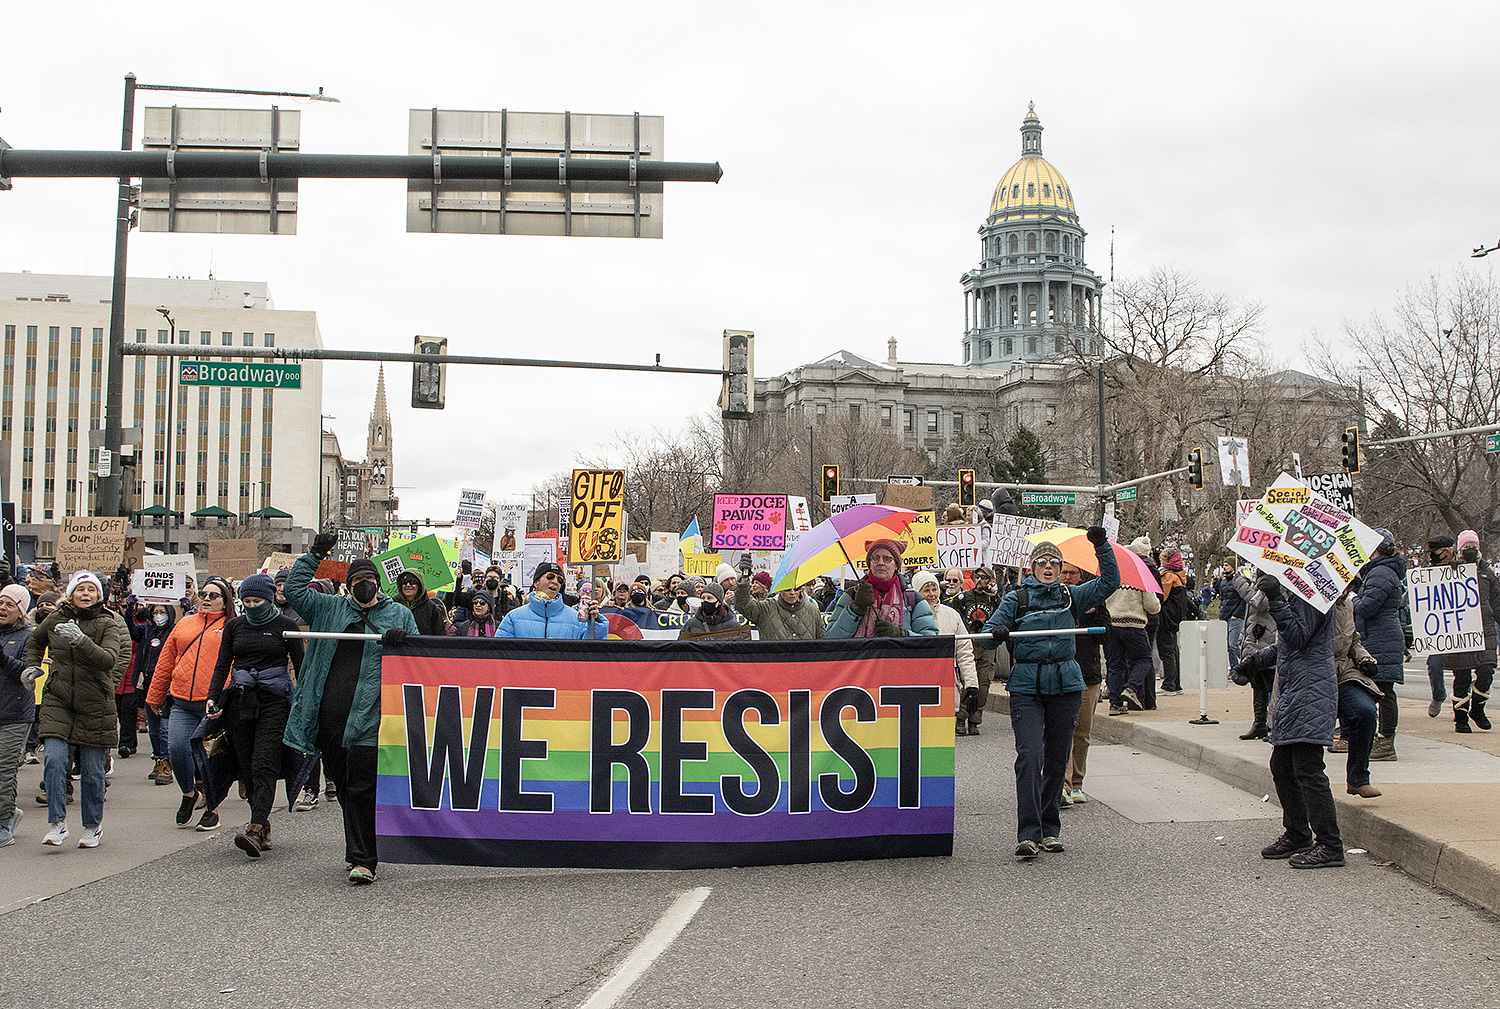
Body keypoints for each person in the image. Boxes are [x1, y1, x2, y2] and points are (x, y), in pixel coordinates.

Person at [283, 537, 418, 884]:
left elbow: (417, 657)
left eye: (369, 580)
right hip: (330, 716)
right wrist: (314, 555)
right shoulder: (329, 608)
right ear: (348, 585)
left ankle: (364, 860)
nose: (364, 586)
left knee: (361, 786)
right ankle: (355, 847)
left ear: (378, 582)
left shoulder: (398, 613)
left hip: (372, 716)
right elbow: (295, 592)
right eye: (357, 581)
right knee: (343, 785)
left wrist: (403, 641)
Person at [980, 527, 1119, 860]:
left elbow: (1109, 583)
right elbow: (986, 637)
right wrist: (996, 632)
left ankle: (1050, 829)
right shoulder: (1017, 598)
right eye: (1041, 562)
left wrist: (1101, 547)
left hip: (1066, 684)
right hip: (1027, 687)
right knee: (1030, 757)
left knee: (1057, 760)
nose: (1047, 567)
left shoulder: (1071, 596)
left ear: (1059, 569)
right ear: (1031, 567)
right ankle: (1028, 833)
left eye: (1053, 563)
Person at [25, 571, 131, 849]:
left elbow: (108, 659)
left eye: (91, 590)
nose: (86, 594)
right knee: (54, 760)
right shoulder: (56, 617)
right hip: (58, 699)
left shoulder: (108, 621)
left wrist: (80, 640)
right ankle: (57, 824)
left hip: (95, 702)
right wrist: (32, 666)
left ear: (99, 595)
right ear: (70, 593)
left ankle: (92, 826)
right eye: (80, 589)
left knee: (93, 772)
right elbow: (36, 641)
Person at [205, 573, 305, 857]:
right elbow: (223, 664)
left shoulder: (286, 626)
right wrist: (213, 697)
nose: (252, 606)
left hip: (275, 701)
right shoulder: (234, 626)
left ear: (270, 598)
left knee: (264, 763)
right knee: (247, 767)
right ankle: (263, 823)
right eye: (246, 601)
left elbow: (302, 666)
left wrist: (303, 703)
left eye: (257, 600)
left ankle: (256, 827)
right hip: (241, 700)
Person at [1257, 573, 1345, 869]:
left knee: (1308, 768)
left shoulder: (1316, 591)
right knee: (1282, 766)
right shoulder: (1301, 590)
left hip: (1311, 688)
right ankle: (1297, 832)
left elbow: (1297, 635)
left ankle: (1330, 844)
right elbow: (1288, 645)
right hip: (1297, 688)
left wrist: (1277, 600)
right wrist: (1253, 663)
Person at [146, 576, 233, 830]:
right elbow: (166, 661)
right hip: (182, 701)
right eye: (204, 594)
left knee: (212, 759)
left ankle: (212, 809)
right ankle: (188, 793)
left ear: (225, 600)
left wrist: (226, 697)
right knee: (176, 750)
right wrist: (154, 695)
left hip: (213, 707)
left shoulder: (233, 625)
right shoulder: (184, 624)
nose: (207, 599)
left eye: (213, 595)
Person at [1353, 529, 1408, 756]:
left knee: (1383, 690)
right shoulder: (1380, 571)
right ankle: (1379, 738)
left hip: (1380, 637)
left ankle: (1385, 741)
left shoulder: (1381, 573)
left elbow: (1367, 607)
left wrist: (1351, 598)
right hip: (1378, 636)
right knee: (1377, 689)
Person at [1062, 563, 1108, 805]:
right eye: (1065, 572)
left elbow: (1106, 636)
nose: (1069, 577)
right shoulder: (1054, 599)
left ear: (1081, 576)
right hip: (1061, 674)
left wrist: (1090, 616)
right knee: (1063, 732)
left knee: (1082, 733)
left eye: (1073, 573)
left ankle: (1077, 783)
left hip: (1088, 675)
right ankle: (1064, 784)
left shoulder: (1093, 600)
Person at [912, 572, 979, 737]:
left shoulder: (952, 615)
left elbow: (965, 652)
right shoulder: (909, 615)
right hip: (916, 690)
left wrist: (972, 685)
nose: (932, 594)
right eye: (926, 590)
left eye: (934, 588)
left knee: (942, 745)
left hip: (946, 688)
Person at [1331, 586, 1383, 798]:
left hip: (1343, 671)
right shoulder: (1308, 603)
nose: (1346, 590)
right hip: (1314, 674)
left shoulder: (1347, 605)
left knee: (1366, 711)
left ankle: (1358, 779)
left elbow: (1353, 640)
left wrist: (1363, 657)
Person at [826, 540, 938, 639]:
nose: (880, 563)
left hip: (898, 662)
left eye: (887, 558)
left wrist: (901, 634)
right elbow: (831, 637)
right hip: (861, 662)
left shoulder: (912, 598)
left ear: (896, 565)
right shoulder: (852, 595)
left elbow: (930, 639)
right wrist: (855, 609)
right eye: (875, 558)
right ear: (869, 564)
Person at [1447, 530, 1500, 733]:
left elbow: (1497, 602)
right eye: (1466, 547)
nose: (1470, 550)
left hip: (1485, 629)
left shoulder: (1487, 572)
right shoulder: (1449, 571)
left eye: (1473, 546)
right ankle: (1460, 717)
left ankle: (1478, 708)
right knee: (1461, 677)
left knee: (1487, 671)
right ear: (1459, 549)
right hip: (1461, 629)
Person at [1104, 541, 1160, 715]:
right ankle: (1131, 688)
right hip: (1134, 625)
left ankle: (1115, 703)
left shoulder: (1113, 575)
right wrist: (1156, 605)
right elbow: (1152, 606)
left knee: (1115, 665)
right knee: (1144, 660)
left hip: (1112, 624)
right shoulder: (1141, 575)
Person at [127, 601, 178, 784]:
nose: (158, 616)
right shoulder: (147, 631)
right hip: (148, 686)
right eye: (155, 612)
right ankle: (158, 759)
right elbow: (131, 629)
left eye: (162, 612)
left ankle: (166, 763)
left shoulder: (175, 631)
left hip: (167, 686)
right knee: (154, 730)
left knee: (165, 729)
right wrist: (130, 609)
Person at [0, 584, 35, 847]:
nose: (2, 608)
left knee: (3, 771)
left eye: (9, 604)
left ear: (21, 610)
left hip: (14, 714)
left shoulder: (29, 637)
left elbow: (27, 673)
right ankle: (10, 813)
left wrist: (2, 659)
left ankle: (3, 825)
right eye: (0, 602)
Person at [952, 565, 1006, 734]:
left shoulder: (995, 599)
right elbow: (956, 615)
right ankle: (961, 717)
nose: (980, 580)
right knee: (968, 680)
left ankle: (975, 719)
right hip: (970, 642)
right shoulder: (964, 598)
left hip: (988, 644)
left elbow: (1004, 614)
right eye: (978, 577)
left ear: (991, 580)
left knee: (983, 683)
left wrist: (994, 597)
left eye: (984, 577)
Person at [497, 562, 609, 640]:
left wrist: (595, 622)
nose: (555, 581)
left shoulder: (577, 618)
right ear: (536, 582)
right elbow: (500, 653)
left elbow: (590, 652)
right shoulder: (514, 617)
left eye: (559, 579)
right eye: (550, 576)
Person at [1232, 567, 1277, 740]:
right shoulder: (1256, 580)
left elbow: (1260, 603)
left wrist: (1240, 584)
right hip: (1255, 638)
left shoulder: (1274, 581)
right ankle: (1259, 723)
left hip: (1268, 638)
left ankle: (1273, 724)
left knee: (1272, 685)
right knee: (1257, 683)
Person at [733, 558, 825, 642]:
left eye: (796, 588)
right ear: (780, 589)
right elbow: (743, 605)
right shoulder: (766, 608)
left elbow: (821, 641)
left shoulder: (812, 609)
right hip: (775, 660)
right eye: (788, 589)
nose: (792, 592)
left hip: (804, 660)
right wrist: (744, 578)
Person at [1157, 550, 1197, 695]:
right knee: (1173, 650)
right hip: (1175, 618)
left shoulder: (1167, 576)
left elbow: (1161, 596)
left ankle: (1169, 684)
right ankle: (1176, 683)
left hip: (1165, 618)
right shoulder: (1180, 576)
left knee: (1166, 651)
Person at [1425, 537, 1455, 716]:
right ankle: (1438, 695)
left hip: (1459, 626)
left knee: (1463, 668)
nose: (1431, 556)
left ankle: (1462, 701)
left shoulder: (1462, 569)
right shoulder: (1427, 573)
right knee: (1434, 664)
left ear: (1446, 551)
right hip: (1437, 628)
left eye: (1435, 552)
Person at [393, 570, 450, 637]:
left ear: (420, 585)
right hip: (397, 646)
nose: (408, 585)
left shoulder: (431, 608)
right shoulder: (392, 605)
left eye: (412, 582)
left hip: (423, 646)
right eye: (404, 582)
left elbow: (439, 636)